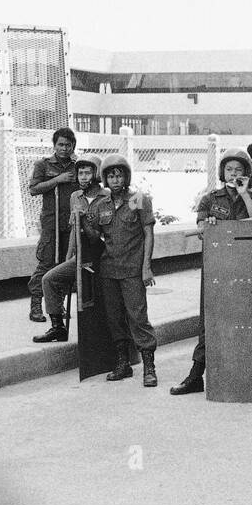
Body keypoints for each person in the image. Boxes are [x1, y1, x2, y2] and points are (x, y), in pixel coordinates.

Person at [170, 149, 252, 395]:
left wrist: (245, 195)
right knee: (209, 321)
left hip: (246, 267)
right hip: (216, 267)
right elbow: (200, 226)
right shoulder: (210, 199)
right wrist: (207, 226)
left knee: (245, 321)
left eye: (239, 170)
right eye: (230, 170)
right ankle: (196, 375)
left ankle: (242, 375)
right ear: (223, 172)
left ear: (246, 173)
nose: (234, 174)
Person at [93, 154, 158, 387]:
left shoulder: (137, 199)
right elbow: (95, 234)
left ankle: (149, 366)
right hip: (109, 270)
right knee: (114, 318)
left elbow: (148, 233)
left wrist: (146, 267)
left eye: (119, 175)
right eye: (111, 175)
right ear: (105, 179)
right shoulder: (102, 205)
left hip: (132, 270)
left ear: (126, 177)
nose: (115, 179)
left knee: (138, 318)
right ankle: (123, 364)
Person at [33, 154, 106, 343]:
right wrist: (68, 256)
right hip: (81, 256)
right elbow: (74, 229)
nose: (82, 177)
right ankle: (58, 327)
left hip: (103, 257)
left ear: (96, 174)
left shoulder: (107, 197)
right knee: (50, 279)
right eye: (80, 173)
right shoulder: (75, 197)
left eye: (87, 172)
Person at [26, 128, 79, 323]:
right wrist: (57, 179)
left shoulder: (78, 165)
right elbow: (33, 189)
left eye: (68, 145)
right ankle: (36, 305)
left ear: (73, 145)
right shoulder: (43, 165)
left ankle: (59, 306)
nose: (64, 149)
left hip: (71, 223)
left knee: (65, 265)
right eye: (61, 145)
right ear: (54, 145)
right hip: (51, 222)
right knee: (47, 262)